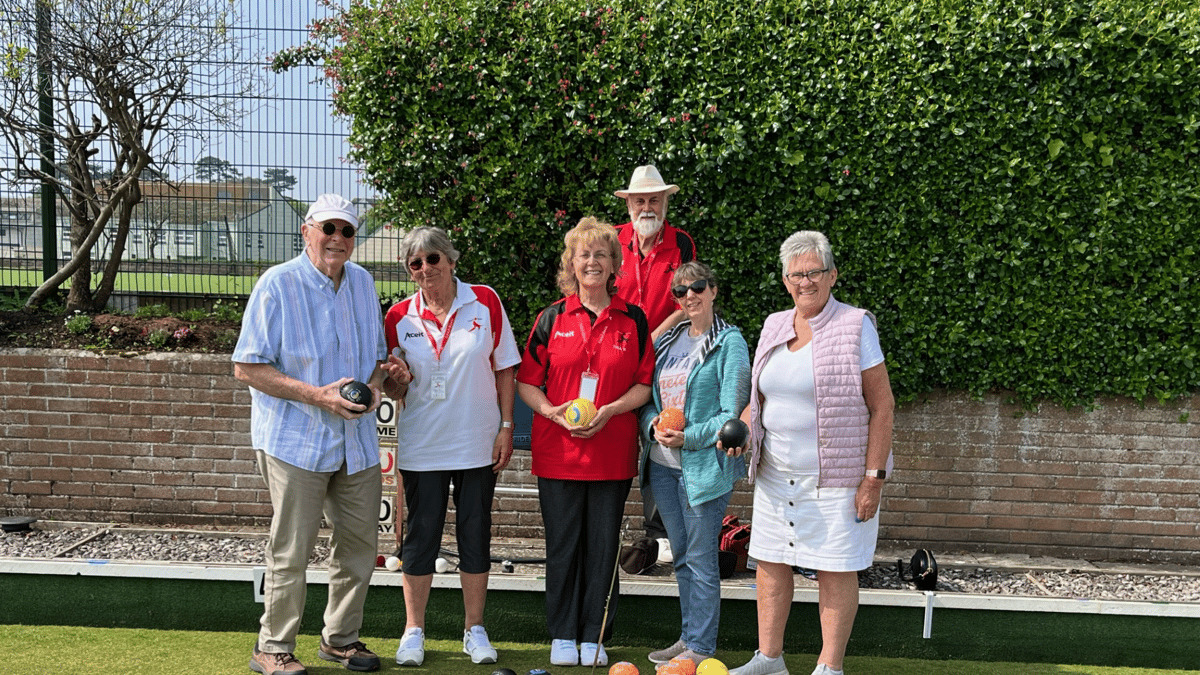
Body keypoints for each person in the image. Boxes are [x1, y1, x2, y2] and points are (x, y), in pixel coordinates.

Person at [233, 193, 391, 675]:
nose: (338, 238)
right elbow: (247, 367)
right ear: (307, 231)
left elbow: (376, 360)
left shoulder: (363, 282)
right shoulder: (277, 283)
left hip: (356, 442)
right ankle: (272, 647)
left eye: (347, 230)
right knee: (292, 550)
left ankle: (340, 639)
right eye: (329, 228)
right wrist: (317, 396)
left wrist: (379, 384)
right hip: (294, 441)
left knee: (359, 546)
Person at [725, 231, 895, 675]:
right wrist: (743, 430)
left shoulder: (855, 326)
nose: (805, 281)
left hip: (837, 478)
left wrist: (873, 478)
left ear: (832, 275)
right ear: (785, 281)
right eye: (796, 275)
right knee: (770, 563)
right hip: (775, 475)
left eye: (814, 272)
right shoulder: (774, 325)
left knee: (835, 568)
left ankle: (829, 667)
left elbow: (883, 406)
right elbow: (759, 400)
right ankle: (769, 660)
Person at [516, 217, 654, 669]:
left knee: (603, 548)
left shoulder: (634, 319)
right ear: (571, 264)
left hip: (611, 454)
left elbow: (644, 385)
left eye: (601, 254)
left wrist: (610, 410)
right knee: (562, 546)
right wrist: (551, 412)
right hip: (559, 454)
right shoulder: (551, 318)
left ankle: (594, 634)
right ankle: (562, 633)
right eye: (583, 255)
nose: (592, 262)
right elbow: (527, 382)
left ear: (614, 264)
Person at [381, 226, 521, 667]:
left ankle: (474, 629)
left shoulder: (485, 301)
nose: (425, 269)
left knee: (475, 534)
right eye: (415, 263)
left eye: (433, 259)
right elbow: (393, 387)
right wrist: (398, 380)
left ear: (451, 260)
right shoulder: (398, 316)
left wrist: (506, 426)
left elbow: (505, 369)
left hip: (477, 442)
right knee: (421, 537)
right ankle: (413, 630)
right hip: (423, 445)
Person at [638, 261, 751, 666]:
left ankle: (701, 649)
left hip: (703, 469)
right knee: (683, 556)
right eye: (680, 291)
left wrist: (689, 438)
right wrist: (652, 424)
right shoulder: (668, 343)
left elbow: (731, 413)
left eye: (697, 287)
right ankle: (688, 637)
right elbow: (646, 397)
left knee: (701, 559)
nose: (689, 296)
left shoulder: (730, 342)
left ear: (713, 290)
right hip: (661, 465)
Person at [612, 164, 698, 555]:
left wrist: (649, 340)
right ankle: (606, 524)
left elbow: (686, 303)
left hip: (663, 358)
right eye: (640, 200)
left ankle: (659, 532)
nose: (647, 207)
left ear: (665, 202)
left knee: (659, 438)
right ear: (628, 204)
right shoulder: (611, 241)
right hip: (616, 358)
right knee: (614, 435)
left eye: (654, 200)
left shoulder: (682, 244)